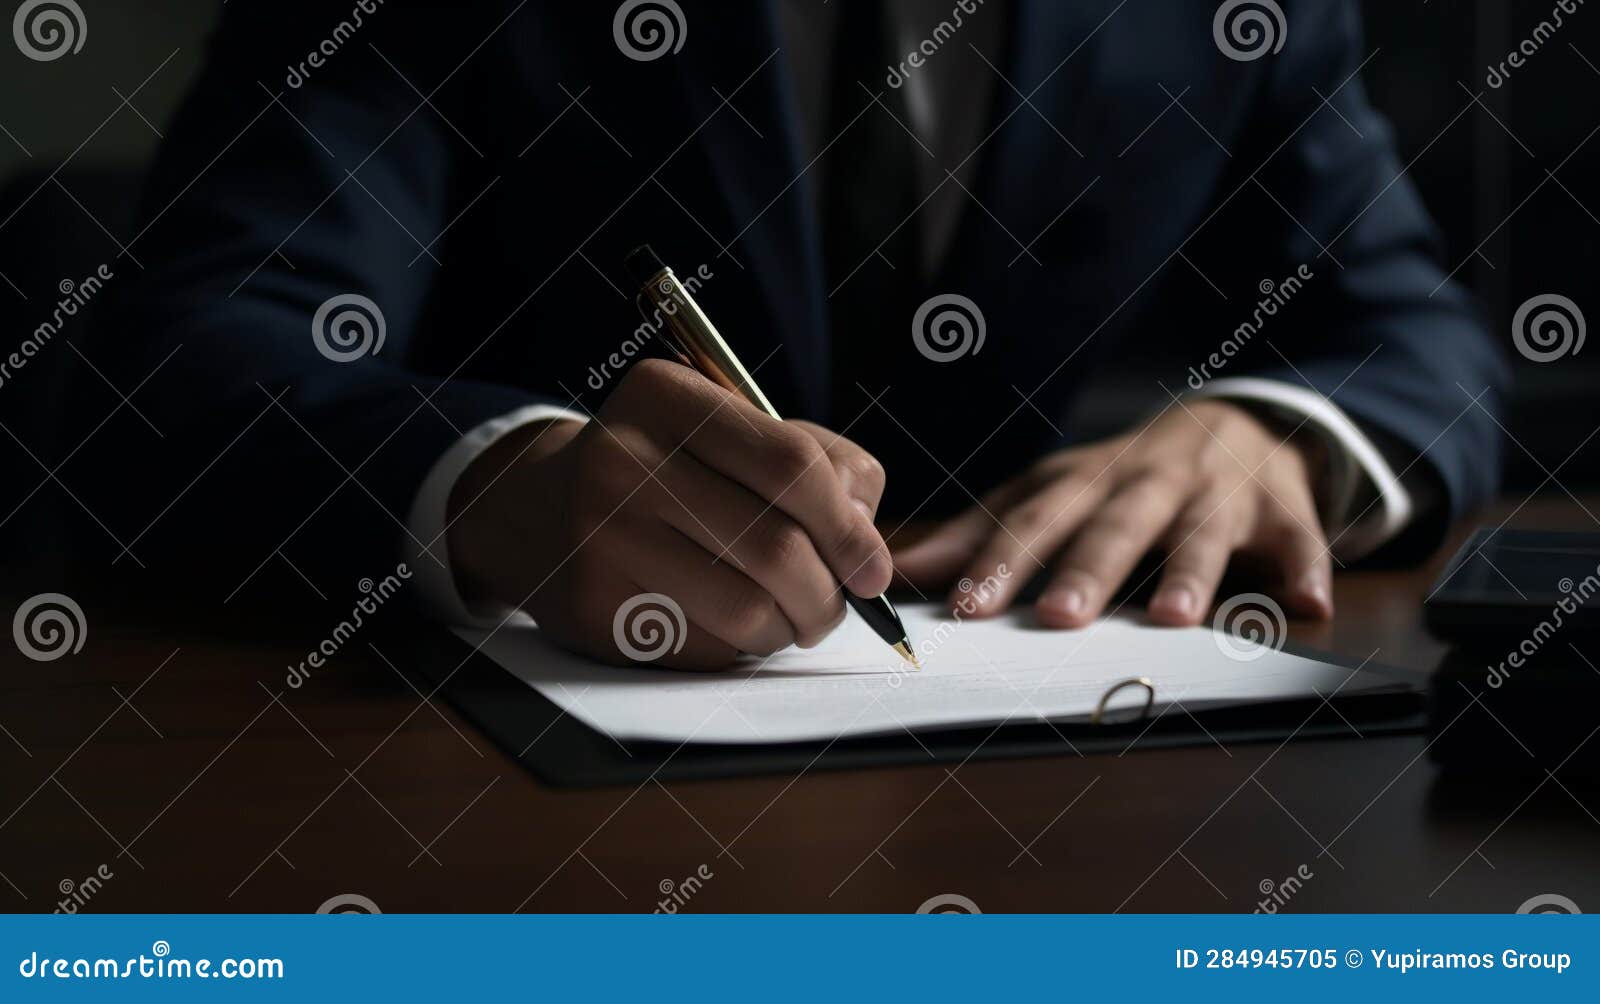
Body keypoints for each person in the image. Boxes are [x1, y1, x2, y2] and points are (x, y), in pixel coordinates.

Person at [87, 1, 1506, 668]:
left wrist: (1278, 433)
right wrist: (500, 486)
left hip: (1033, 804)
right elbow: (192, 351)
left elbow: (1413, 334)